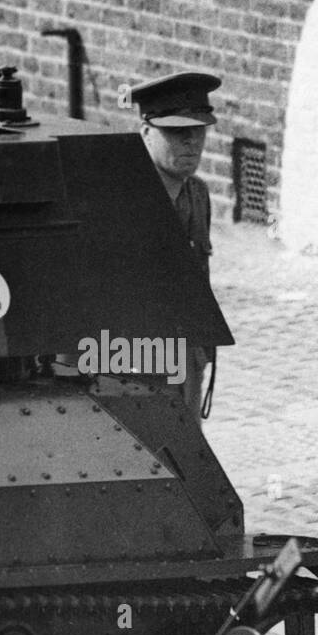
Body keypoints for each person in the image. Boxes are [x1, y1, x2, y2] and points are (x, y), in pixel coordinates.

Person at [132, 70, 221, 417]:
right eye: (177, 132)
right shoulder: (127, 198)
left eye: (198, 131)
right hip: (136, 358)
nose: (191, 143)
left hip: (185, 353)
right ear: (146, 132)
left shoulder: (197, 194)